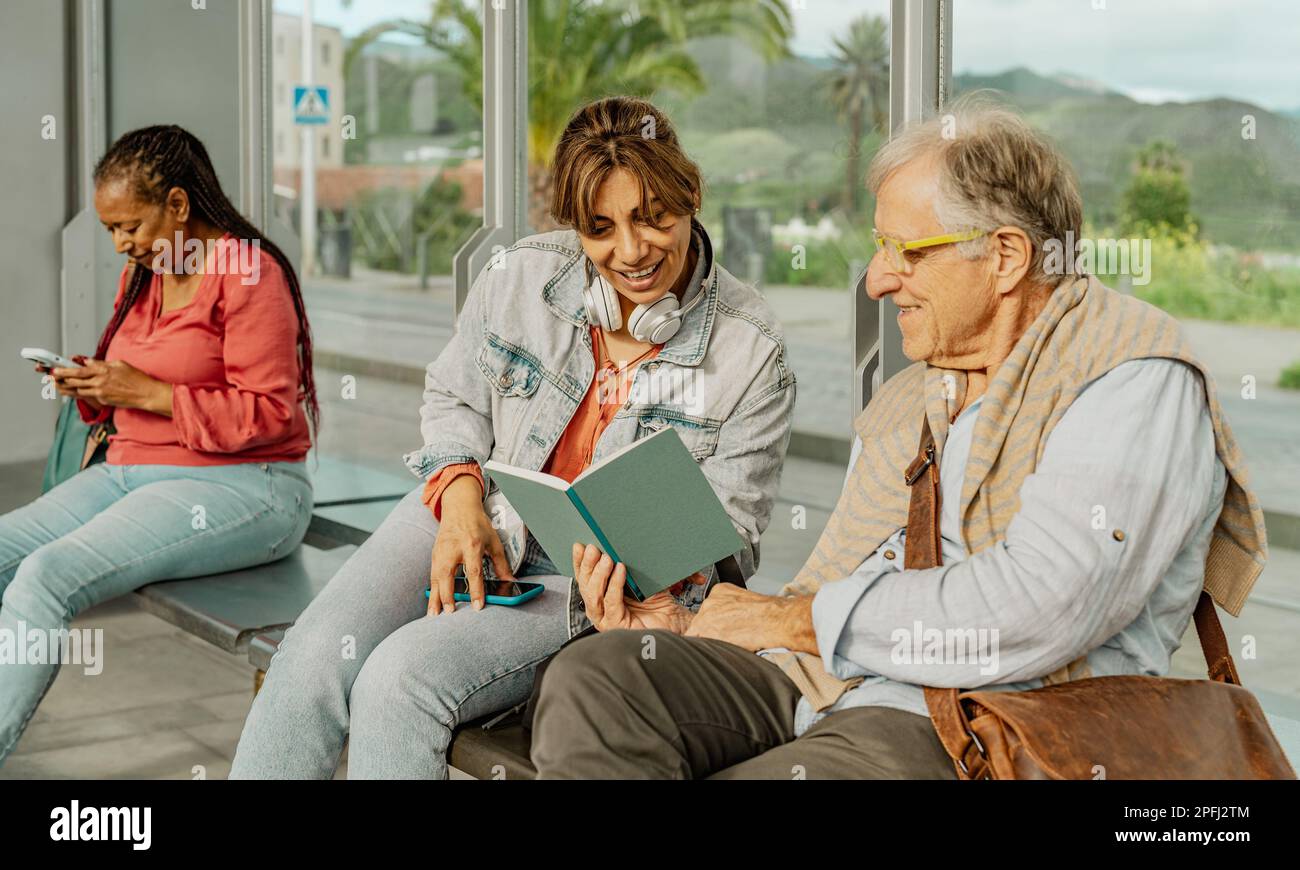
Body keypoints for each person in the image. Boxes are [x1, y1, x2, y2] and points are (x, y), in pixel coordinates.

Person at [529, 96, 1268, 779]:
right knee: (601, 676)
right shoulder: (915, 396)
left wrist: (786, 619)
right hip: (826, 678)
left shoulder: (1130, 376)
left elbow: (1040, 609)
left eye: (904, 251)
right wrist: (687, 625)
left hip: (977, 717)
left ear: (1006, 256)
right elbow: (829, 593)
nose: (878, 280)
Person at [230, 96, 796, 779]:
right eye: (601, 229)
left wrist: (659, 571)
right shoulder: (521, 276)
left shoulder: (752, 350)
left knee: (398, 682)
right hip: (477, 502)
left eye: (654, 218)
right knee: (314, 654)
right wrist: (462, 497)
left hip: (589, 583)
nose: (631, 251)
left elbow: (732, 533)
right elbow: (454, 397)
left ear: (692, 194)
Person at [0, 125, 316, 765]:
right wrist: (94, 384)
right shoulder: (145, 274)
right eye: (110, 229)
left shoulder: (248, 273)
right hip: (127, 470)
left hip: (244, 486)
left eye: (130, 227)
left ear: (177, 204)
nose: (121, 244)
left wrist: (145, 391)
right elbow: (136, 385)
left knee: (45, 576)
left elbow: (271, 413)